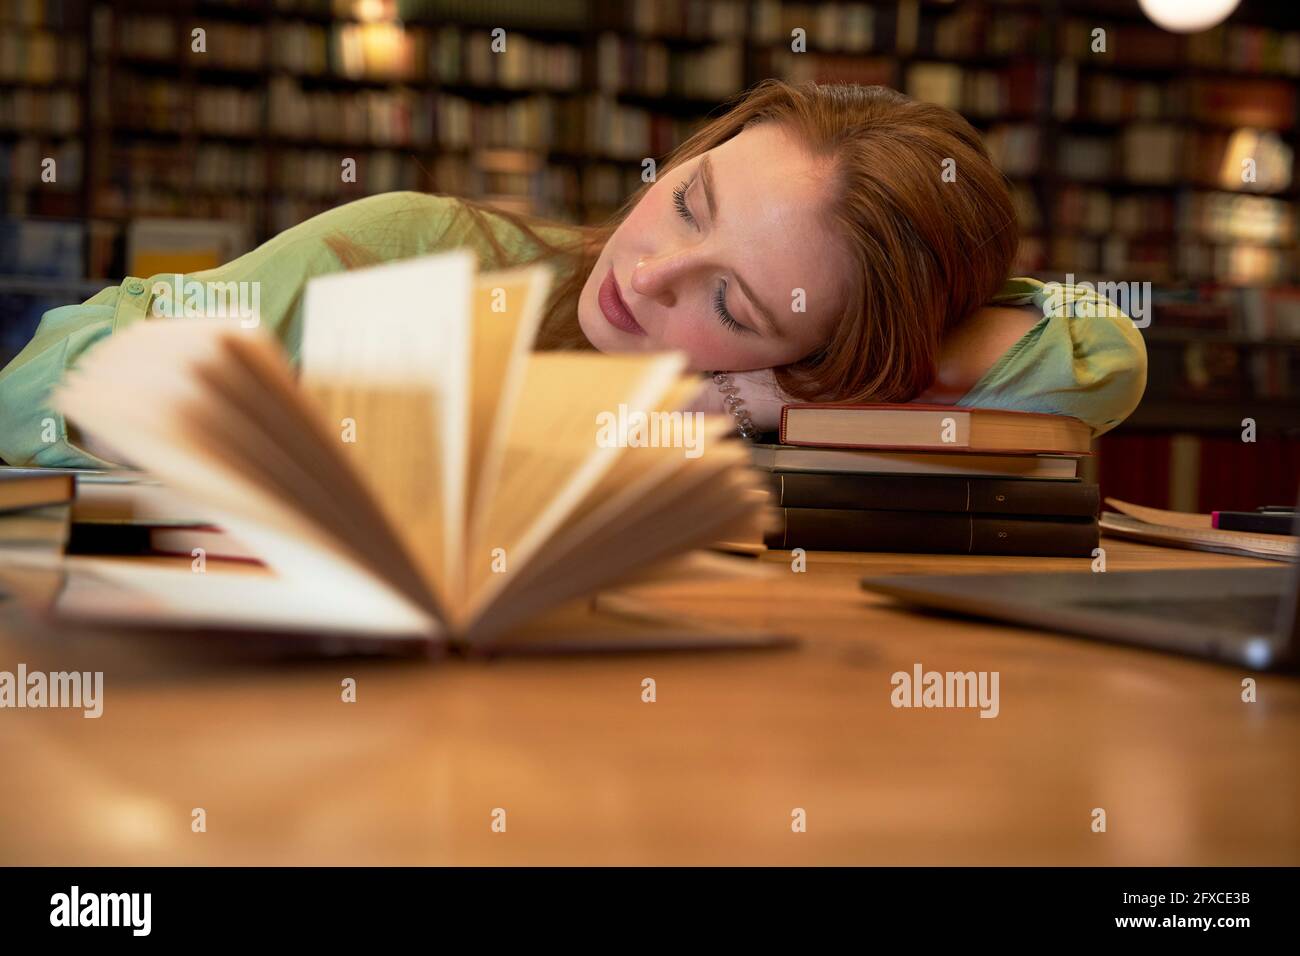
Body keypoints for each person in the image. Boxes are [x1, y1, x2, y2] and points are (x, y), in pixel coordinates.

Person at [0, 80, 1145, 468]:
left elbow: (1103, 352)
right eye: (689, 200)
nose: (649, 274)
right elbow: (32, 382)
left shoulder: (776, 397)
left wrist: (800, 399)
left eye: (731, 303)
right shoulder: (416, 249)